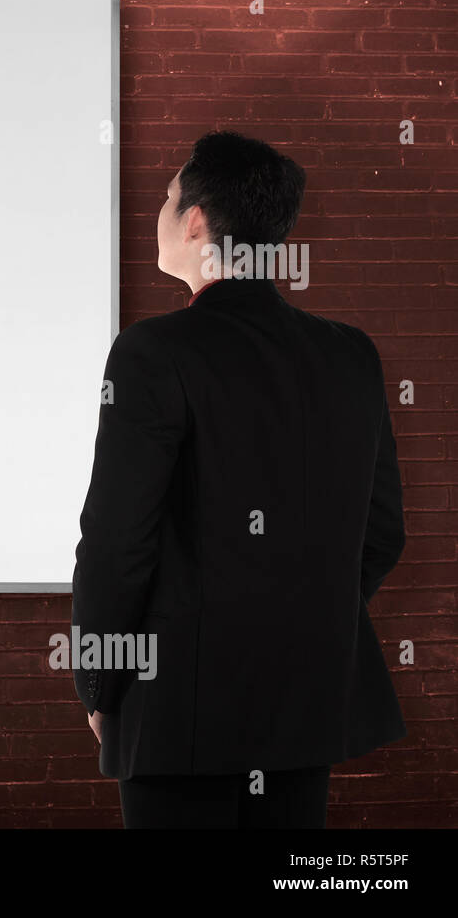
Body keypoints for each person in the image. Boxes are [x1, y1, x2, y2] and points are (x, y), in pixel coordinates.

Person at [71, 130, 407, 828]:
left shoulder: (151, 352)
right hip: (305, 707)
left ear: (195, 219)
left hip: (176, 717)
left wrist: (100, 685)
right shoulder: (351, 355)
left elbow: (115, 542)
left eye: (167, 198)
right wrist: (296, 621)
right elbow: (379, 534)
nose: (160, 212)